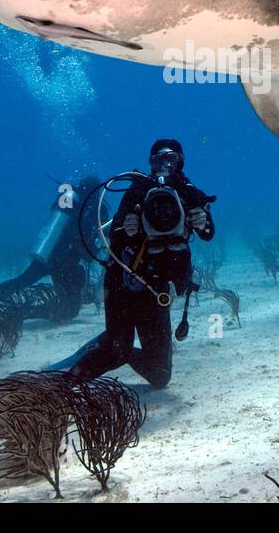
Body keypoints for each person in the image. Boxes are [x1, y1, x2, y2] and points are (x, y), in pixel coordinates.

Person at [48, 138, 215, 389]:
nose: (165, 165)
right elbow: (113, 235)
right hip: (123, 282)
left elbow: (208, 233)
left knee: (160, 376)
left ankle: (108, 342)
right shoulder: (137, 190)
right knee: (118, 350)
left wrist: (202, 221)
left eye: (171, 158)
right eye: (159, 159)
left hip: (154, 289)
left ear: (181, 161)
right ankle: (59, 388)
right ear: (150, 162)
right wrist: (127, 228)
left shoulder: (190, 194)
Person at [0, 175, 102, 324]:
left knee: (20, 282)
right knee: (69, 311)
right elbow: (87, 248)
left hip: (47, 254)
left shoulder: (70, 201)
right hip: (65, 263)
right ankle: (19, 312)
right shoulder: (94, 211)